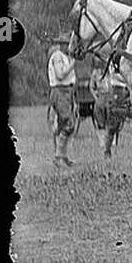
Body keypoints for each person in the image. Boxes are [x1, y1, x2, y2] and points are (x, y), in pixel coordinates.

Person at [46, 31, 78, 168]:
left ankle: (62, 156)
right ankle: (59, 156)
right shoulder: (58, 56)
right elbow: (60, 75)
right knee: (68, 123)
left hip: (66, 92)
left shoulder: (64, 56)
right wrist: (73, 64)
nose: (68, 46)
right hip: (60, 91)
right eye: (65, 43)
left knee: (64, 124)